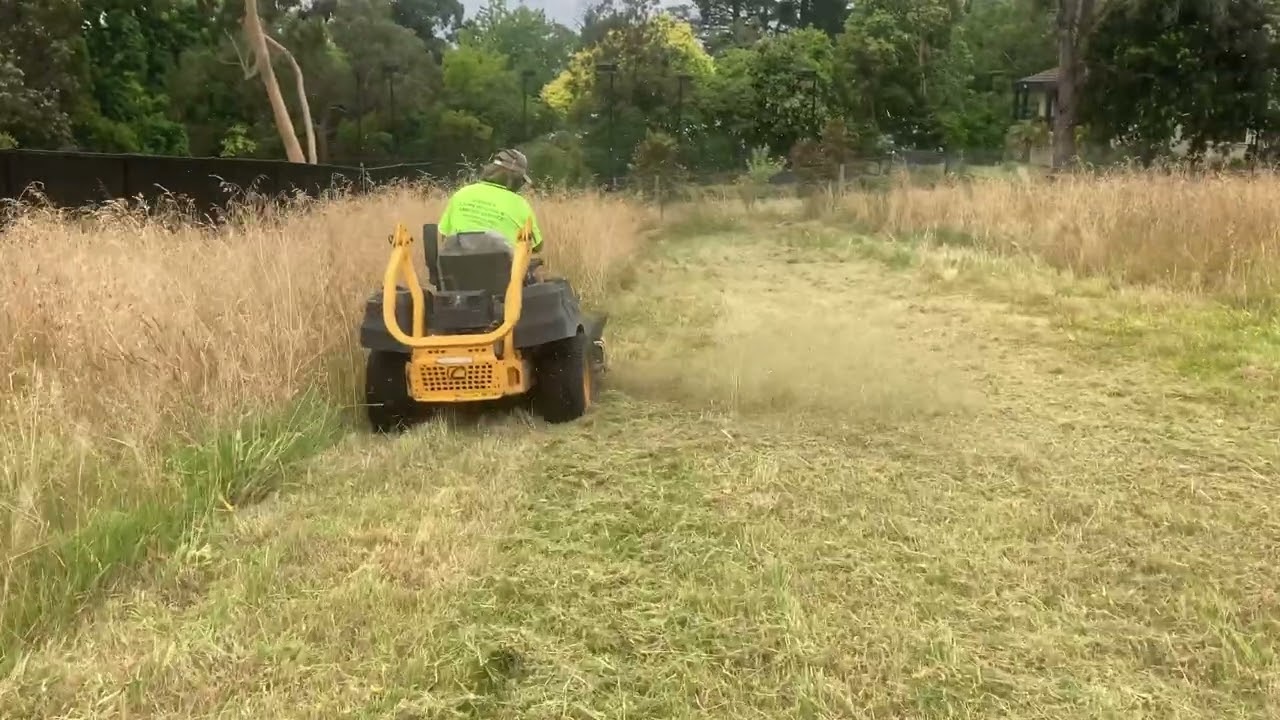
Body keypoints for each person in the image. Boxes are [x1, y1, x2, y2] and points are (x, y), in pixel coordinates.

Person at [438, 148, 543, 254]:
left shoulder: (462, 194)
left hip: (455, 268)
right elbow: (536, 246)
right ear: (517, 179)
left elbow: (445, 236)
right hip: (502, 269)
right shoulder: (521, 205)